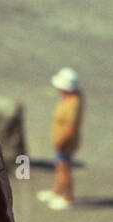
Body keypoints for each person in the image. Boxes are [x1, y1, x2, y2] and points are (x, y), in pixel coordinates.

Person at [38, 67, 82, 211]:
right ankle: (56, 191)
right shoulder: (70, 98)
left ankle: (68, 197)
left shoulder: (73, 104)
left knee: (64, 169)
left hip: (65, 143)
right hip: (62, 142)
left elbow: (70, 128)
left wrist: (60, 142)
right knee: (59, 167)